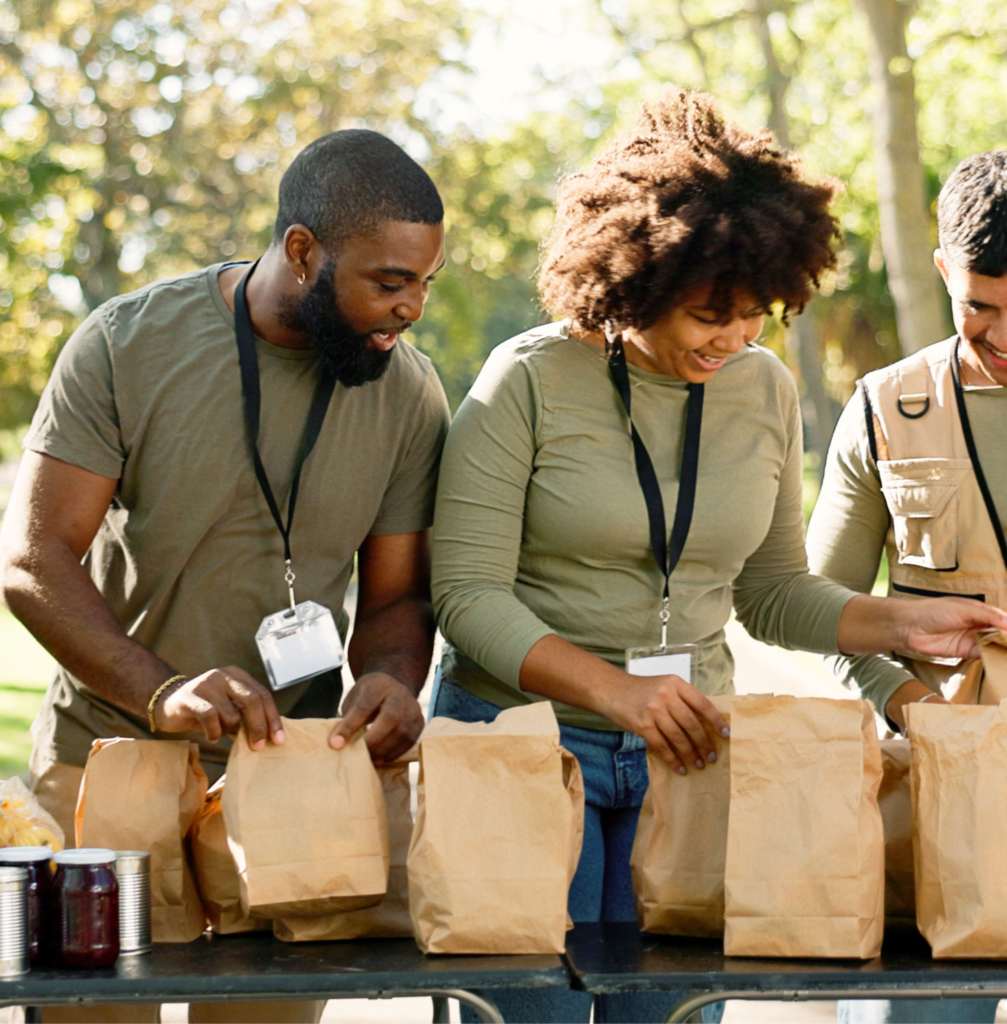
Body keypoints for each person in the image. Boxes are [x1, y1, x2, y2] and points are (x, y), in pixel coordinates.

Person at [429, 89, 1007, 1024]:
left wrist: (903, 620)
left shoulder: (762, 387)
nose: (732, 339)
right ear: (638, 281)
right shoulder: (527, 381)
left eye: (756, 314)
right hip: (526, 749)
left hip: (688, 755)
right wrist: (617, 692)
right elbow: (465, 595)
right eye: (709, 314)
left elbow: (772, 593)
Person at [0, 129, 449, 1024]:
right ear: (301, 250)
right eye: (389, 283)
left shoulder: (409, 393)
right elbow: (32, 560)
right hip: (108, 763)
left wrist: (392, 682)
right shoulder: (127, 344)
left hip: (289, 782)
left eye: (424, 285)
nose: (410, 311)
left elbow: (397, 592)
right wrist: (160, 691)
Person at [807, 152, 1007, 1024]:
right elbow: (816, 606)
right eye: (981, 308)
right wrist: (908, 708)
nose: (1003, 338)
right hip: (942, 798)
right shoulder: (884, 407)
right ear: (940, 271)